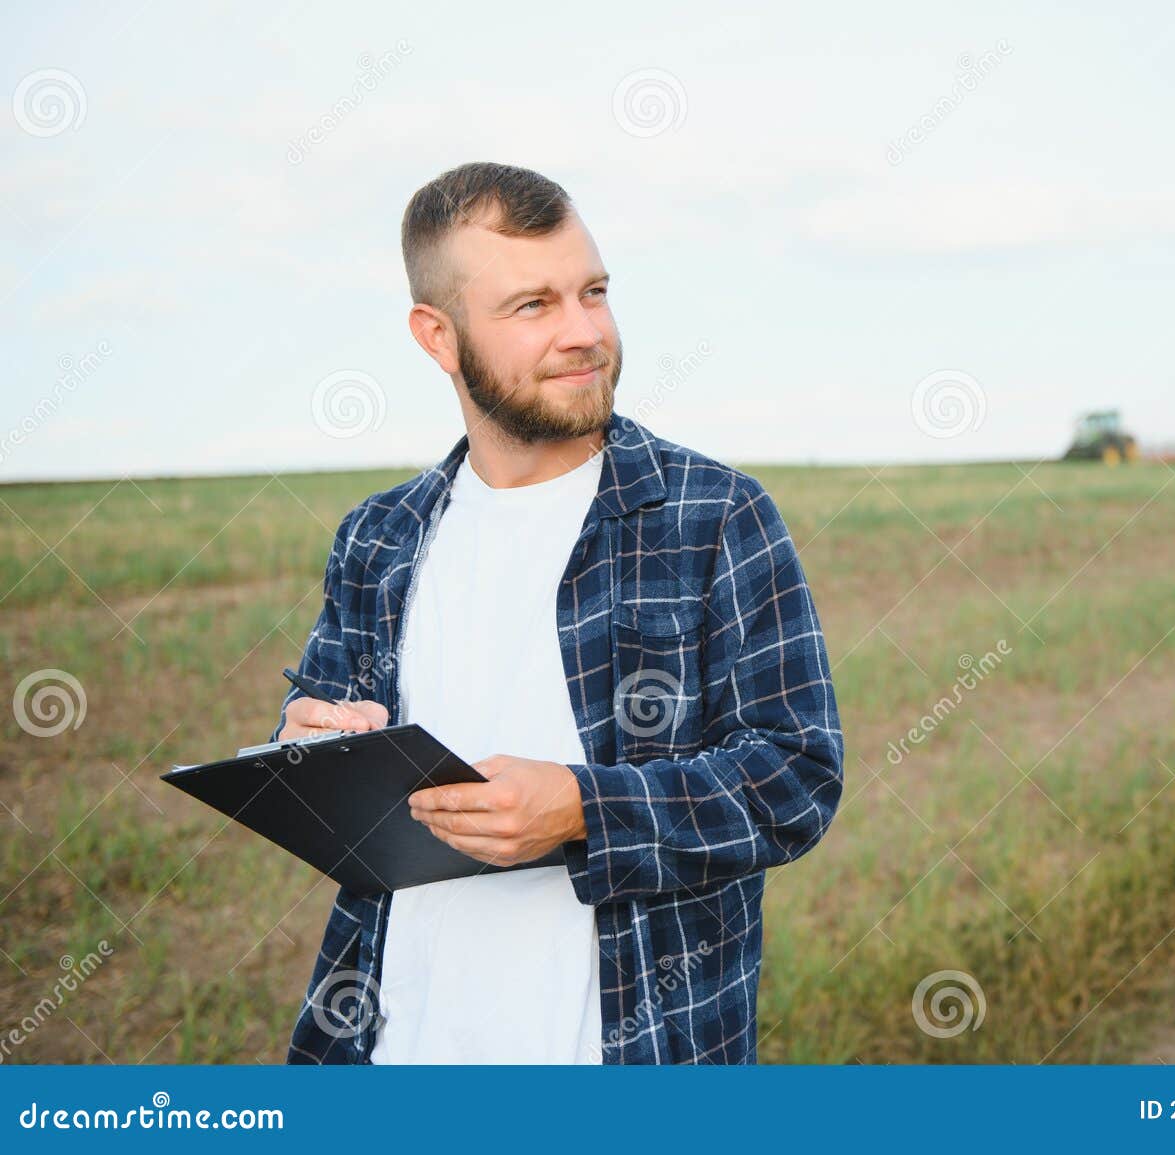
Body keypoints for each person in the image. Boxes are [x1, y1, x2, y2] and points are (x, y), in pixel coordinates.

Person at [273, 161, 844, 1064]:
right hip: (397, 1048)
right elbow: (322, 762)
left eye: (595, 291)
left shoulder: (714, 516)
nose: (586, 333)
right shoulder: (377, 539)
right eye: (533, 305)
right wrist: (302, 743)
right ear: (438, 336)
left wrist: (584, 808)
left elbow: (796, 780)